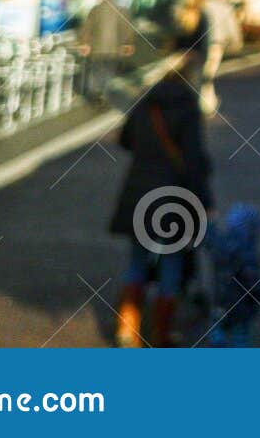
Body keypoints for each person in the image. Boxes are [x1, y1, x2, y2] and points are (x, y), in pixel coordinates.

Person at [108, 45, 213, 347]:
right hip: (173, 198)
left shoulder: (147, 102)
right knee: (171, 262)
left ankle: (126, 328)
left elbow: (126, 139)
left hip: (139, 191)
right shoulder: (188, 107)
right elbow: (193, 160)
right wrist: (204, 201)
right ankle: (161, 333)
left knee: (138, 261)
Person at [206, 203, 260, 346]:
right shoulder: (248, 255)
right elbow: (252, 280)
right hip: (241, 308)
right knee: (240, 336)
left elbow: (210, 238)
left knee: (218, 332)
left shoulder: (221, 245)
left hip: (219, 302)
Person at [80, 0, 136, 102]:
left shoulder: (95, 10)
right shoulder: (123, 10)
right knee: (108, 72)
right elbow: (126, 28)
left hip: (97, 48)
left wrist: (85, 43)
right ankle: (104, 94)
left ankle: (95, 93)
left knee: (96, 70)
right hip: (114, 49)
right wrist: (128, 44)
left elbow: (87, 28)